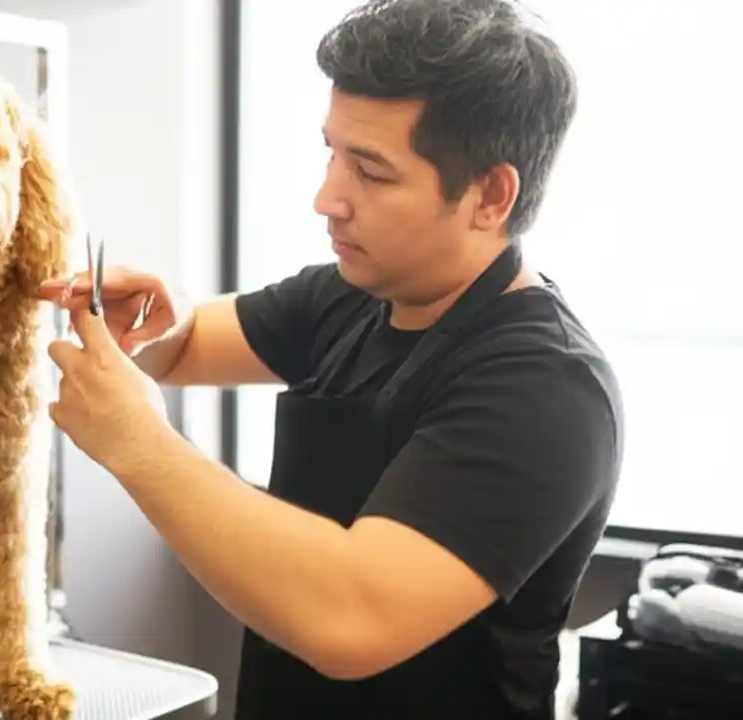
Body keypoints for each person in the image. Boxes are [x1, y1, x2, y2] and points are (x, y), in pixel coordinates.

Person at [38, 0, 623, 717]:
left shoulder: (545, 387)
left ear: (490, 196)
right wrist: (156, 321)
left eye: (371, 173)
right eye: (332, 154)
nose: (327, 199)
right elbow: (180, 345)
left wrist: (139, 444)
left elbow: (352, 618)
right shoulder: (354, 294)